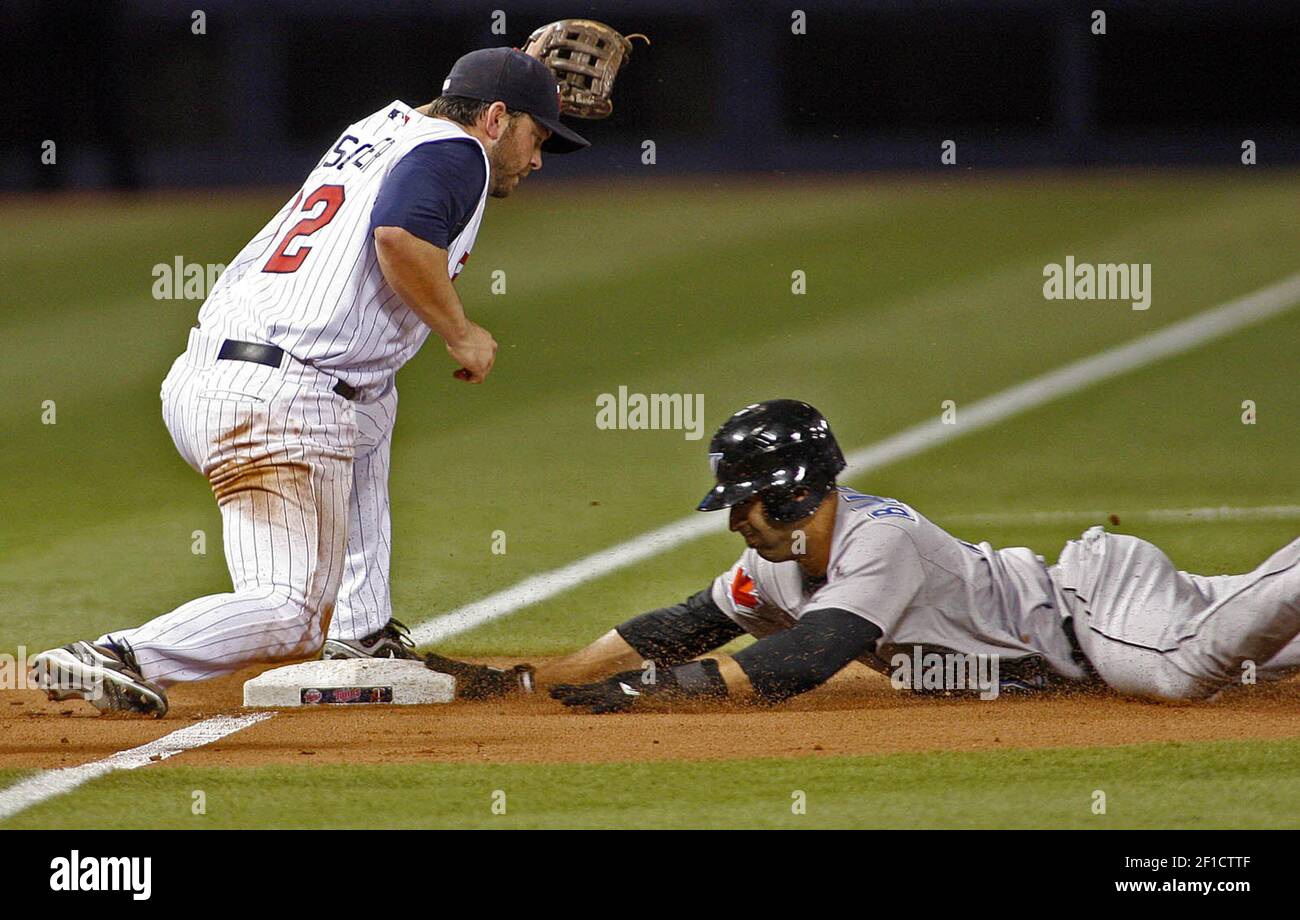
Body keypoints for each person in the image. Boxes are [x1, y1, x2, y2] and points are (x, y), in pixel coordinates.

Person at [31, 47, 590, 717]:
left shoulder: (384, 127)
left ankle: (364, 637)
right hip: (278, 401)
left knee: (372, 400)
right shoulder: (459, 151)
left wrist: (509, 68)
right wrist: (460, 330)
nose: (536, 160)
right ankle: (118, 655)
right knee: (291, 614)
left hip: (222, 374)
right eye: (539, 137)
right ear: (497, 117)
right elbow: (398, 237)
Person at [433, 399, 1300, 712]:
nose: (734, 520)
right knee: (1266, 636)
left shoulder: (879, 538)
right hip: (1087, 618)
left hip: (1092, 610)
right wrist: (528, 682)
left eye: (743, 502)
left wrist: (651, 698)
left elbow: (806, 658)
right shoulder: (777, 557)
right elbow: (677, 627)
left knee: (1184, 670)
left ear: (797, 491)